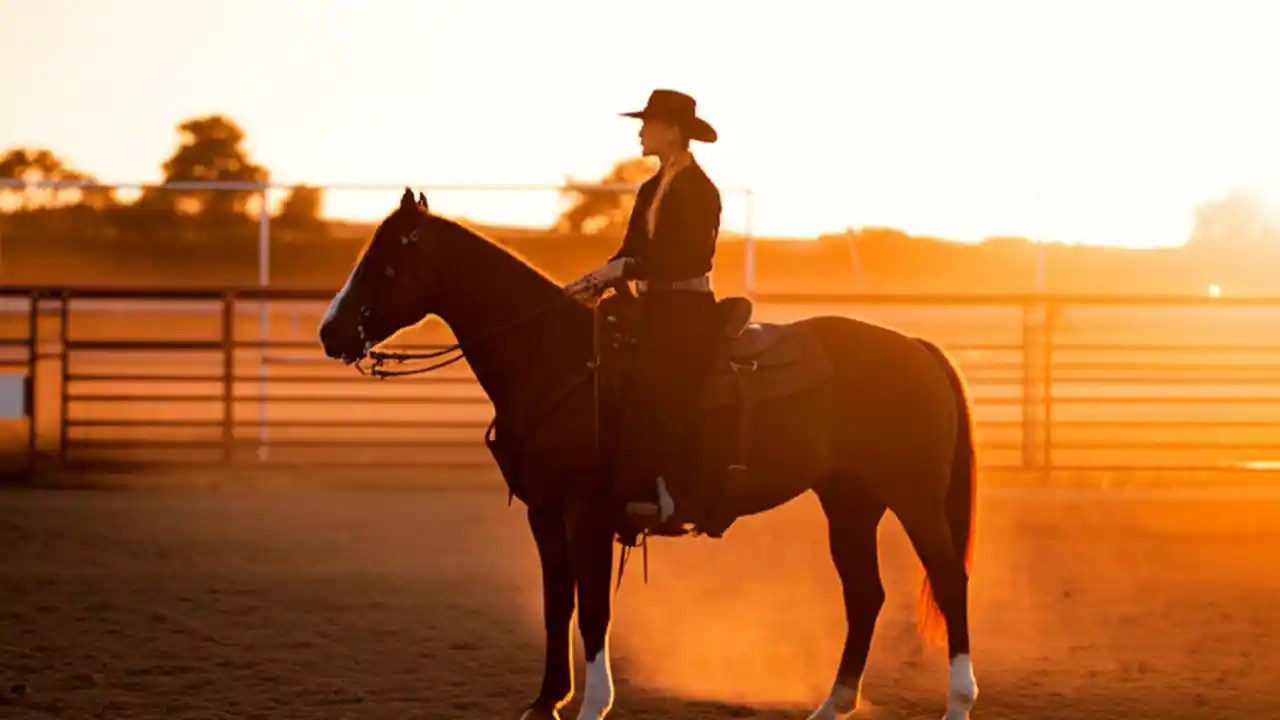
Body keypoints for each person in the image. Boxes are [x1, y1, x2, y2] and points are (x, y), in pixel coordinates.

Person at [564, 88, 723, 533]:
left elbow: (689, 257)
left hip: (685, 308)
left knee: (654, 382)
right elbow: (633, 246)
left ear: (672, 132)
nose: (640, 131)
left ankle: (666, 489)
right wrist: (597, 278)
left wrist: (626, 267)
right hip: (654, 303)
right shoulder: (653, 186)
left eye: (648, 124)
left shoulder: (699, 190)